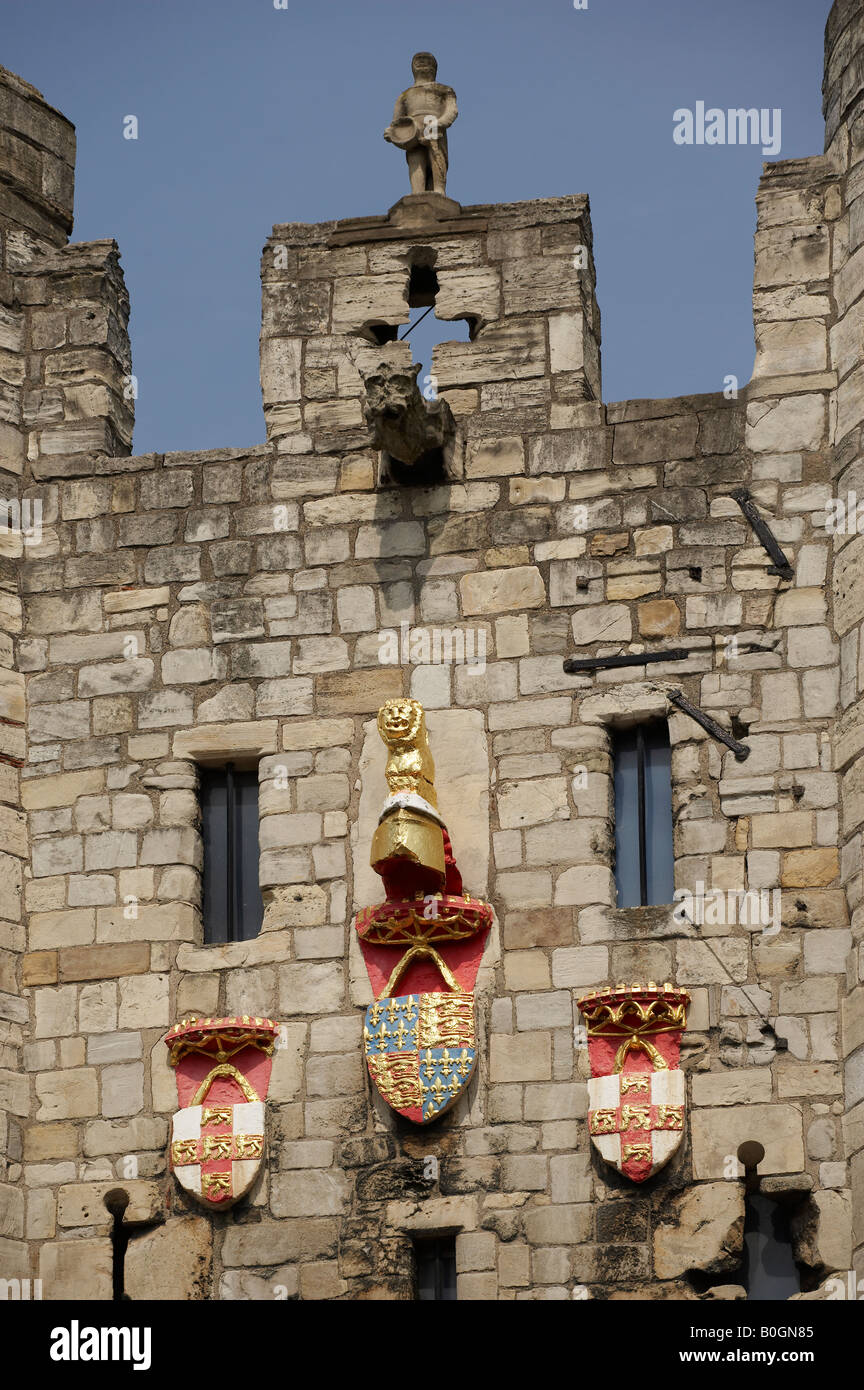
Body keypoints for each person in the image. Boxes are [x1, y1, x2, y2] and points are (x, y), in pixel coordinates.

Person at [384, 52, 458, 196]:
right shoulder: (405, 95)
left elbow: (452, 110)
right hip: (412, 128)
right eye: (419, 60)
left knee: (436, 156)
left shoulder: (443, 90)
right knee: (415, 159)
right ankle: (416, 192)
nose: (423, 62)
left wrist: (439, 122)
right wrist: (391, 132)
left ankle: (439, 189)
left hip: (433, 123)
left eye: (427, 60)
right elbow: (396, 120)